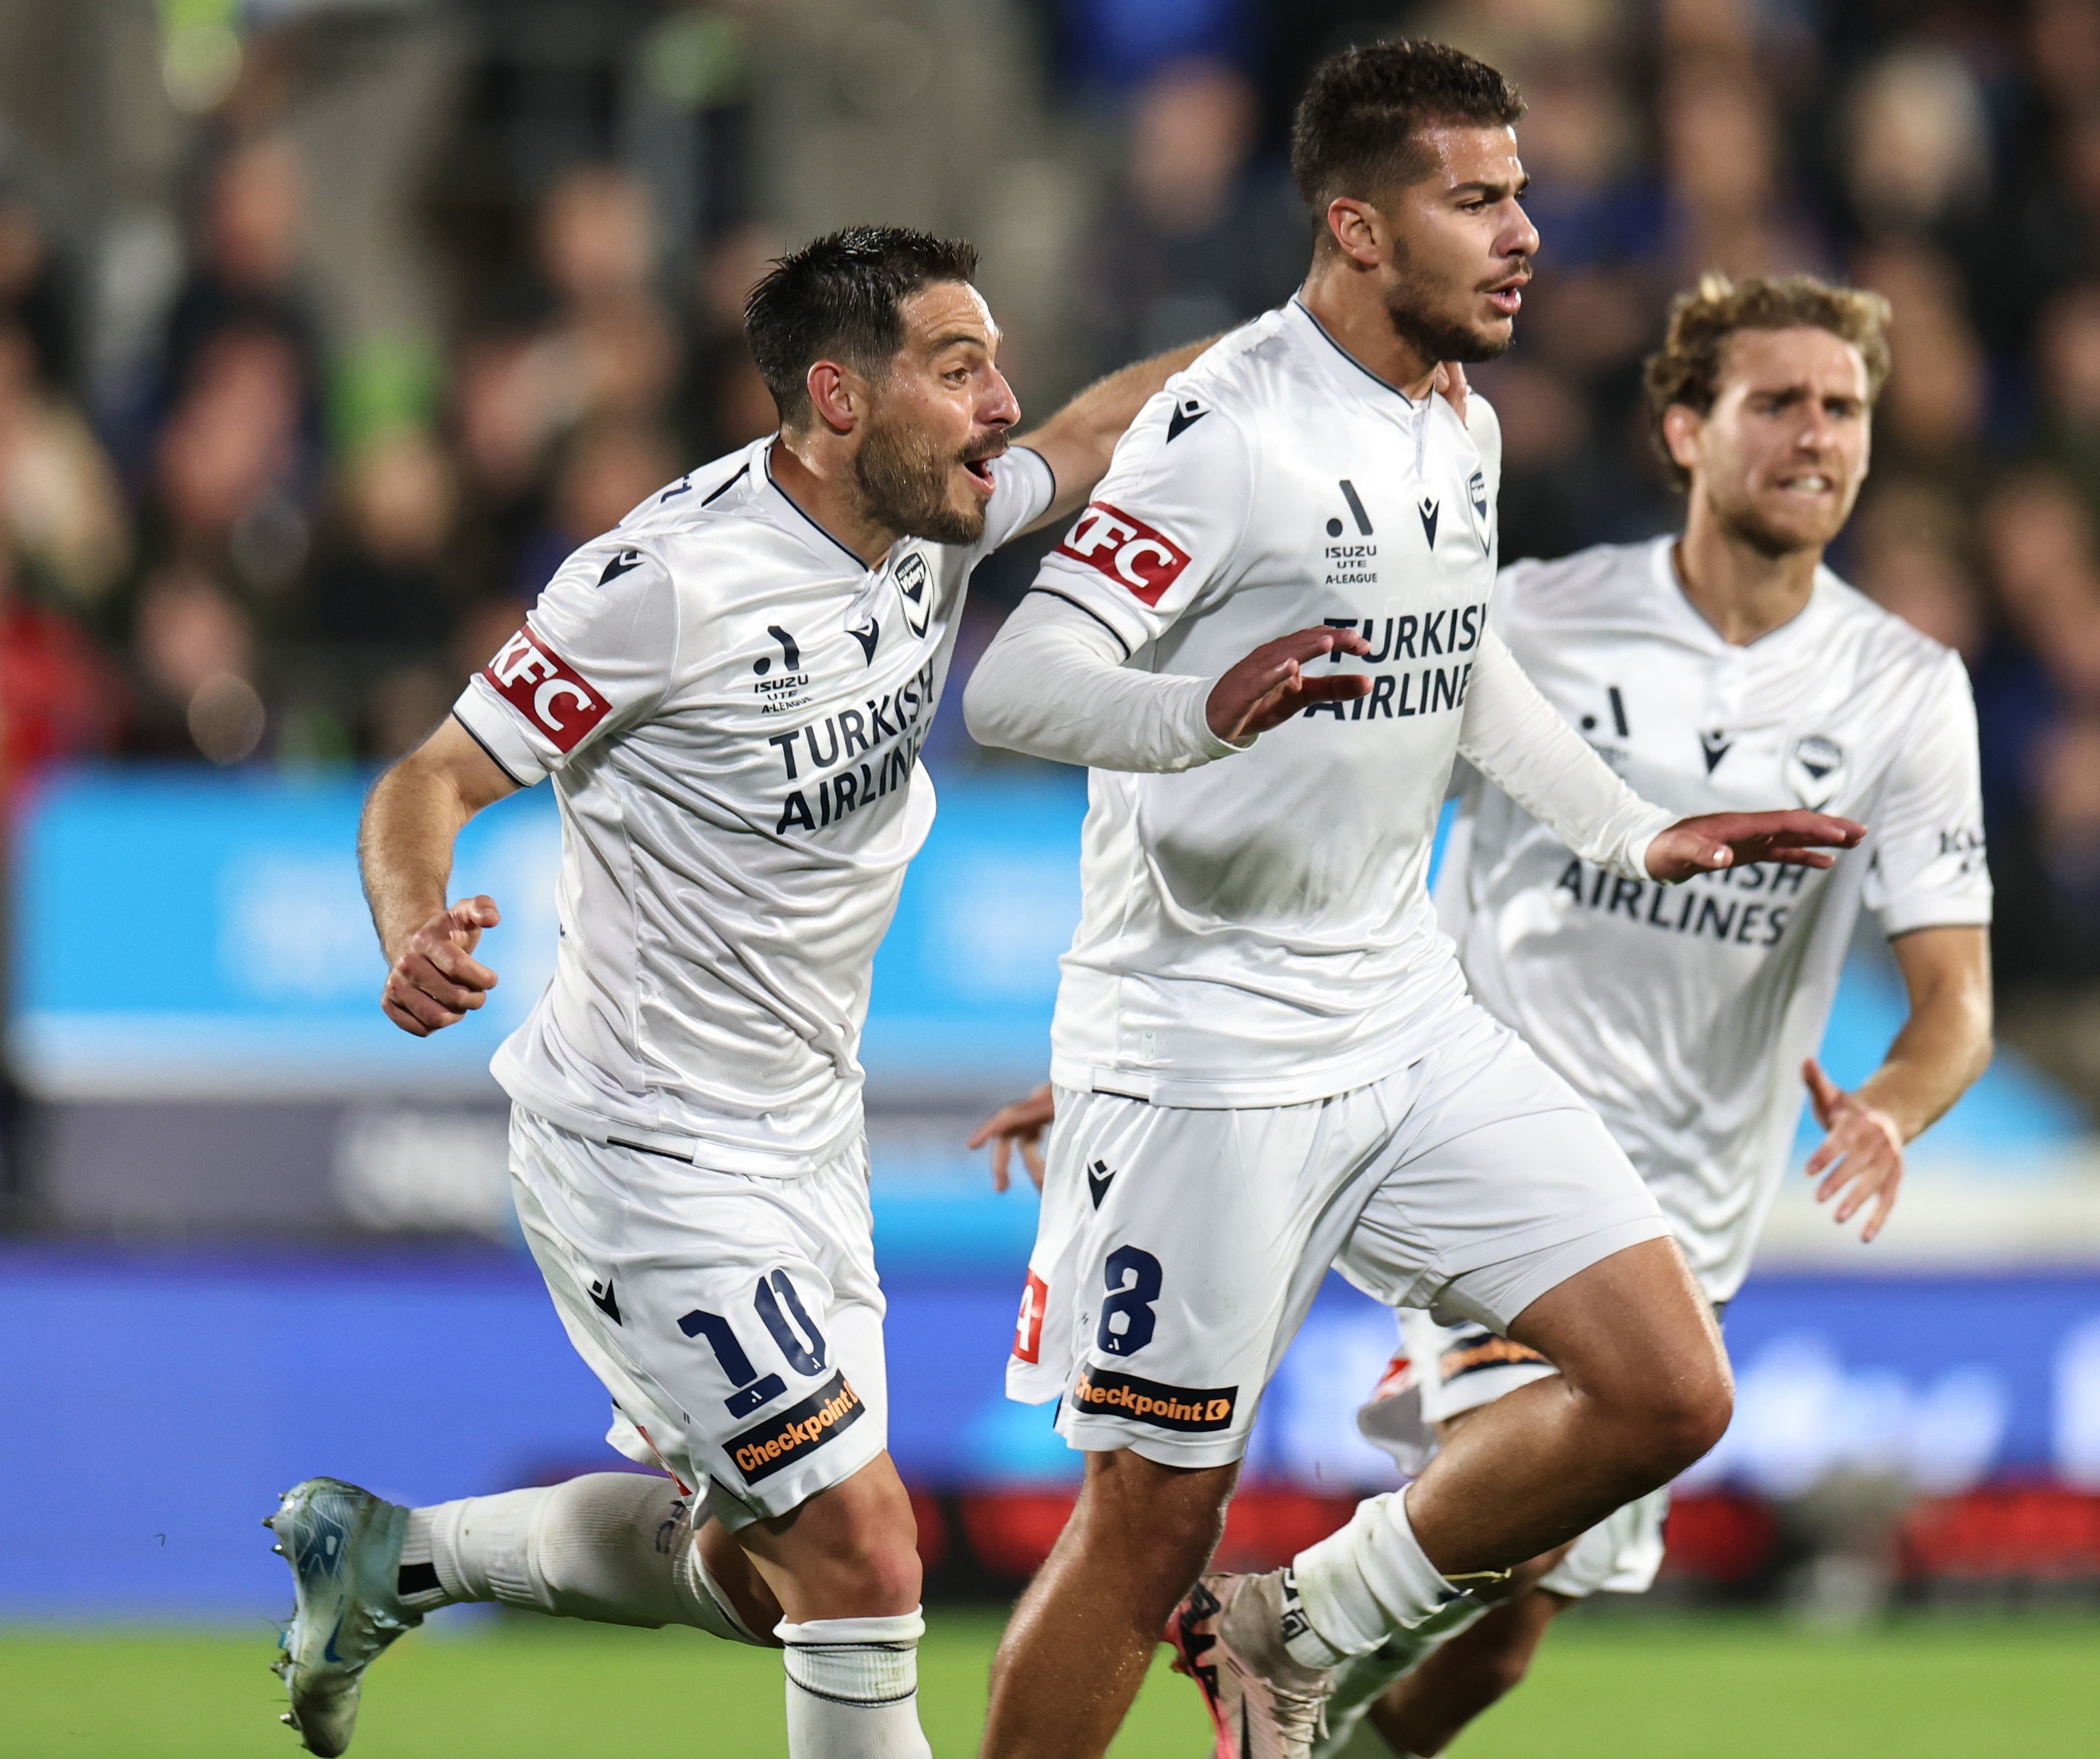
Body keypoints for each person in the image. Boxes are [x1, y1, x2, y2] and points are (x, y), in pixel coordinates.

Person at [956, 41, 1860, 1759]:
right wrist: (1198, 710)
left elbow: (1464, 664)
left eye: (1519, 192)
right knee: (1148, 1519)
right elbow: (1018, 686)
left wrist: (1628, 828)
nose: (1525, 231)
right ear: (1357, 227)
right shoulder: (1228, 429)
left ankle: (1305, 1622)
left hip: (1397, 1010)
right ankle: (1237, 1615)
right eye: (1477, 199)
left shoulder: (1457, 417)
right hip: (1205, 1048)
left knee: (1666, 1386)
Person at [265, 226, 1211, 1759]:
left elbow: (1095, 438)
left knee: (784, 1583)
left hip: (805, 1146)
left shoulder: (941, 516)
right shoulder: (663, 585)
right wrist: (411, 925)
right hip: (642, 1149)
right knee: (866, 1551)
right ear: (840, 398)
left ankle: (393, 1555)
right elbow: (430, 775)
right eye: (959, 367)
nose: (999, 402)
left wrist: (1296, 343)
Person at [1296, 269, 1993, 1758]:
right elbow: (1324, 821)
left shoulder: (1904, 691)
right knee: (1506, 1528)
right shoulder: (1533, 619)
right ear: (1683, 429)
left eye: (1845, 409)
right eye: (1780, 402)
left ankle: (1298, 1710)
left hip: (1683, 1224)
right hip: (1475, 1142)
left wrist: (1891, 1105)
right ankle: (1277, 1625)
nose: (1817, 436)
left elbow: (1957, 1000)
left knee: (1494, 1645)